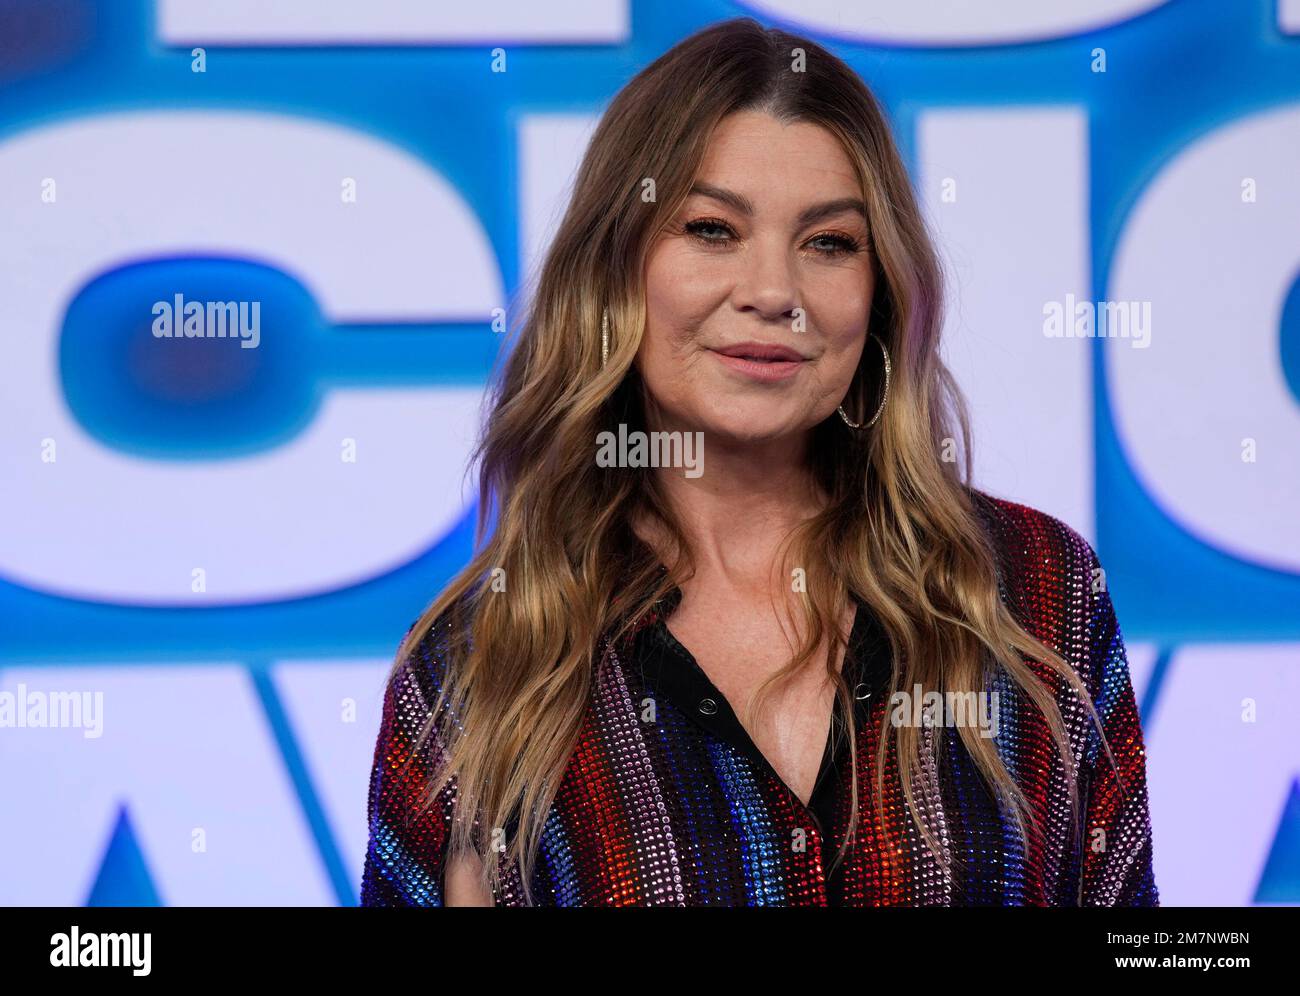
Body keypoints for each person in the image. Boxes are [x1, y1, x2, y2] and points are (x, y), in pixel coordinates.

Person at [360, 16, 1158, 907]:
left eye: (829, 242)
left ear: (880, 289)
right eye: (712, 229)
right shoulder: (477, 669)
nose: (775, 293)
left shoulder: (1036, 592)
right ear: (615, 268)